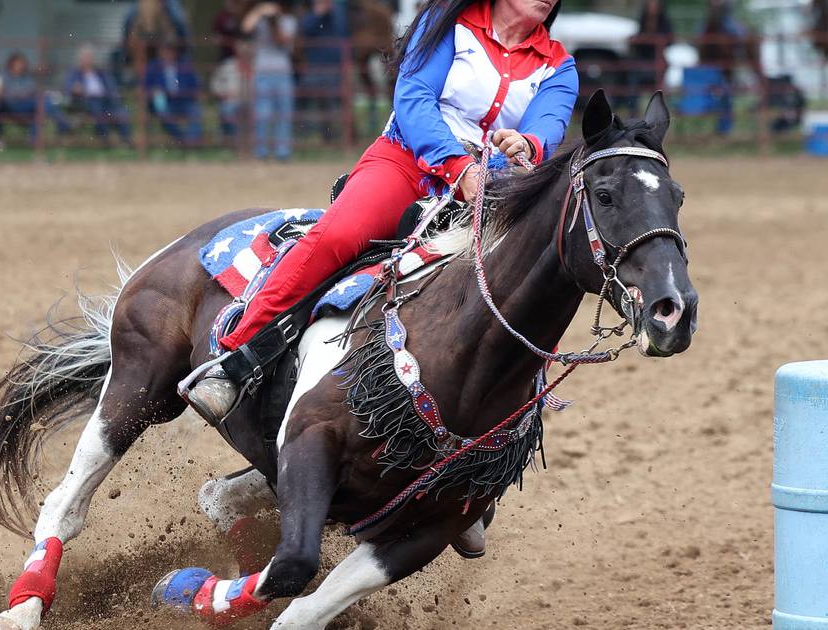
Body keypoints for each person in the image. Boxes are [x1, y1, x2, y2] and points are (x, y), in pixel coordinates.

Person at [186, 0, 576, 449]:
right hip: (407, 162)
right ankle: (234, 359)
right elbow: (413, 99)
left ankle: (502, 414)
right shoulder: (450, 24)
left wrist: (527, 145)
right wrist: (459, 167)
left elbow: (548, 123)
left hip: (491, 188)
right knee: (339, 237)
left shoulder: (559, 65)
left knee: (522, 274)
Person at [694, 0, 764, 136]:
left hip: (725, 14)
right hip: (713, 15)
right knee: (701, 32)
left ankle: (738, 52)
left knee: (736, 31)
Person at [241, 1, 298, 159]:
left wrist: (275, 20)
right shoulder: (259, 18)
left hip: (283, 72)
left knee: (284, 114)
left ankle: (283, 153)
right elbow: (245, 28)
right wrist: (259, 12)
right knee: (262, 114)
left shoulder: (288, 21)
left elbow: (283, 40)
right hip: (262, 72)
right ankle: (261, 152)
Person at [298, 0, 349, 141]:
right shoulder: (310, 18)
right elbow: (305, 30)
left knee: (333, 105)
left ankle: (332, 139)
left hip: (333, 69)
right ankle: (305, 135)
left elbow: (344, 36)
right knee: (310, 102)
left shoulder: (337, 17)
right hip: (315, 69)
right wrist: (318, 15)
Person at [65, 44, 133, 145]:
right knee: (97, 109)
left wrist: (112, 95)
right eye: (85, 58)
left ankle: (126, 141)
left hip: (106, 100)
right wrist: (75, 88)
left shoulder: (101, 72)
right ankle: (105, 139)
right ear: (80, 60)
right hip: (87, 101)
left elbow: (112, 87)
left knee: (122, 112)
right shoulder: (75, 73)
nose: (87, 60)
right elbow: (68, 87)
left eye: (89, 57)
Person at [1, 52, 72, 141]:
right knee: (43, 103)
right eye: (18, 63)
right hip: (13, 105)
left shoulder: (26, 77)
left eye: (22, 63)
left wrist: (29, 93)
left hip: (29, 104)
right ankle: (64, 124)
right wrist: (21, 94)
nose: (21, 66)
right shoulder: (5, 77)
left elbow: (33, 89)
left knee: (40, 109)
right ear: (12, 64)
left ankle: (34, 139)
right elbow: (4, 93)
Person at [144, 42, 203, 145]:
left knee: (195, 112)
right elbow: (145, 87)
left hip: (184, 100)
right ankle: (182, 140)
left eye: (170, 51)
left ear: (175, 53)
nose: (167, 54)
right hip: (164, 101)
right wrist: (153, 91)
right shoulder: (153, 67)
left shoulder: (185, 66)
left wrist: (191, 93)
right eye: (164, 51)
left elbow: (196, 86)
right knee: (164, 113)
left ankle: (191, 142)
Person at [626, 0, 674, 116]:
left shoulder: (664, 22)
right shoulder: (643, 21)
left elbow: (670, 40)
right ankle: (633, 113)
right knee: (632, 81)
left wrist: (654, 40)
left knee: (658, 88)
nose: (652, 7)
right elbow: (638, 41)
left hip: (656, 62)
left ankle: (657, 115)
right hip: (643, 62)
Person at [210, 41, 251, 141]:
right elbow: (214, 84)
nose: (244, 53)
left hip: (251, 102)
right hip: (230, 101)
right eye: (242, 50)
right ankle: (233, 141)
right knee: (227, 110)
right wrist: (224, 94)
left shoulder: (256, 66)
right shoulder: (227, 66)